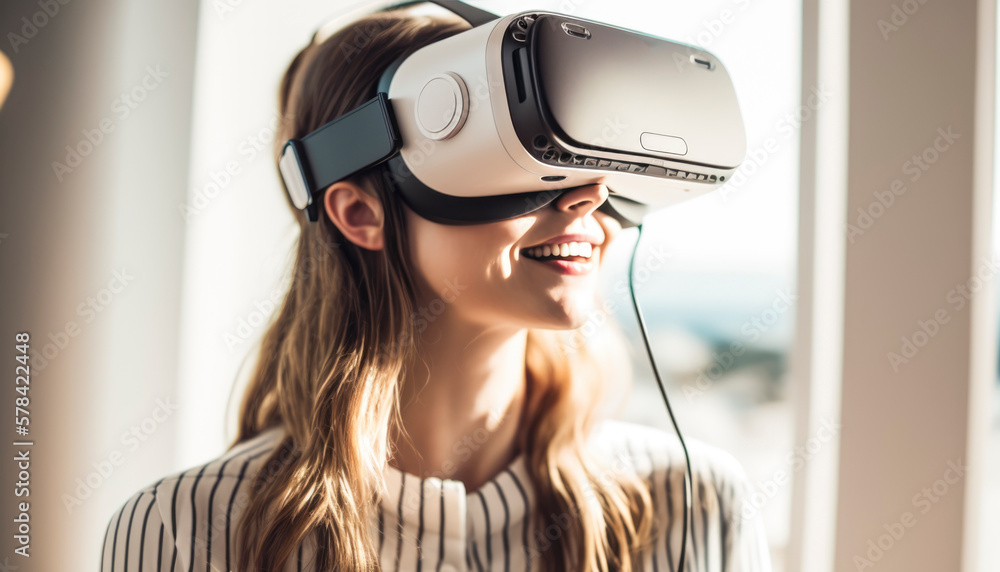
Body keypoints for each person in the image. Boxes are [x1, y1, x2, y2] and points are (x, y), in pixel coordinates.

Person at [100, 6, 772, 572]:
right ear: (359, 213)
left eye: (581, 159)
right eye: (525, 158)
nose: (590, 199)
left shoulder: (689, 505)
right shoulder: (185, 530)